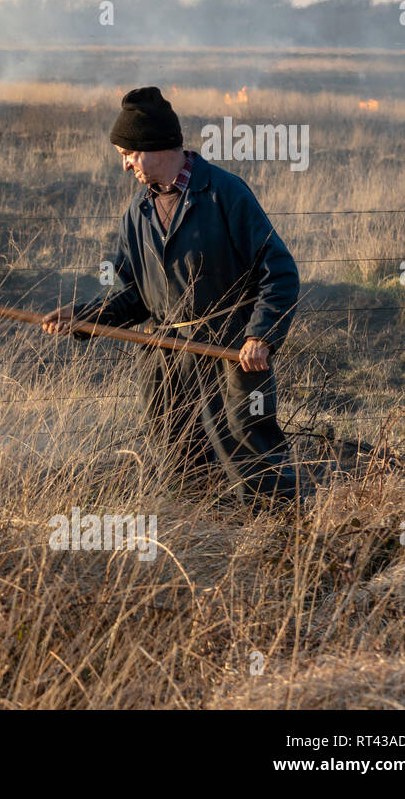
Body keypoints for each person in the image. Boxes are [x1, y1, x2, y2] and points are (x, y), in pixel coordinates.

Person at [42, 86, 304, 505]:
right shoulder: (137, 213)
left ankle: (282, 538)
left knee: (249, 448)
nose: (125, 165)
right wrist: (84, 317)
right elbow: (134, 297)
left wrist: (261, 335)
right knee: (178, 454)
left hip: (231, 349)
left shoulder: (224, 194)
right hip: (165, 355)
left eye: (128, 153)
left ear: (154, 146)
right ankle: (203, 540)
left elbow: (280, 271)